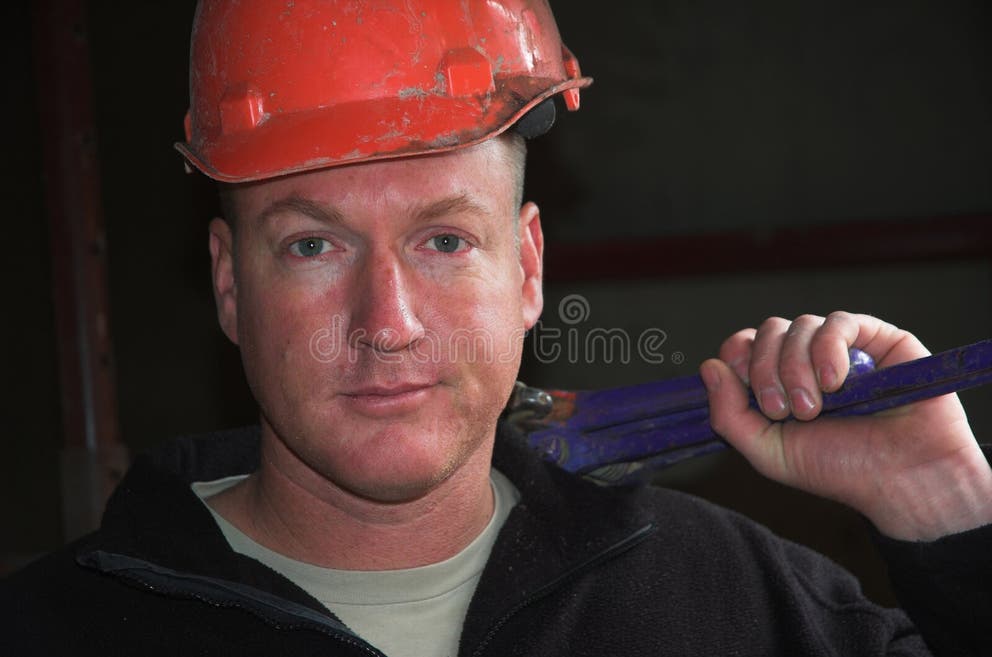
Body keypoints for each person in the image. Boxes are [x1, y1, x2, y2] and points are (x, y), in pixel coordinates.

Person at [3, 1, 990, 655]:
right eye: (312, 247)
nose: (385, 326)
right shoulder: (57, 630)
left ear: (526, 268)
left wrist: (945, 512)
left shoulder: (736, 606)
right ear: (228, 284)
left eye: (441, 241)